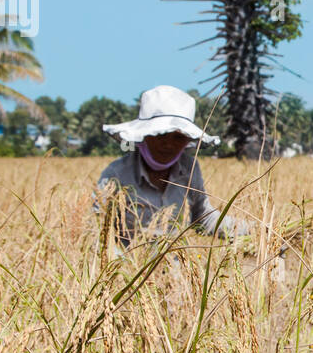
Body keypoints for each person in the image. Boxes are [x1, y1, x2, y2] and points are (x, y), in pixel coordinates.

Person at [95, 85, 251, 245]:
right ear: (145, 135)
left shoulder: (189, 169)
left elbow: (202, 217)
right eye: (161, 134)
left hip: (174, 267)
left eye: (178, 137)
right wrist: (122, 263)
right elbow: (96, 229)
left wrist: (254, 230)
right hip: (129, 266)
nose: (169, 145)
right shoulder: (116, 174)